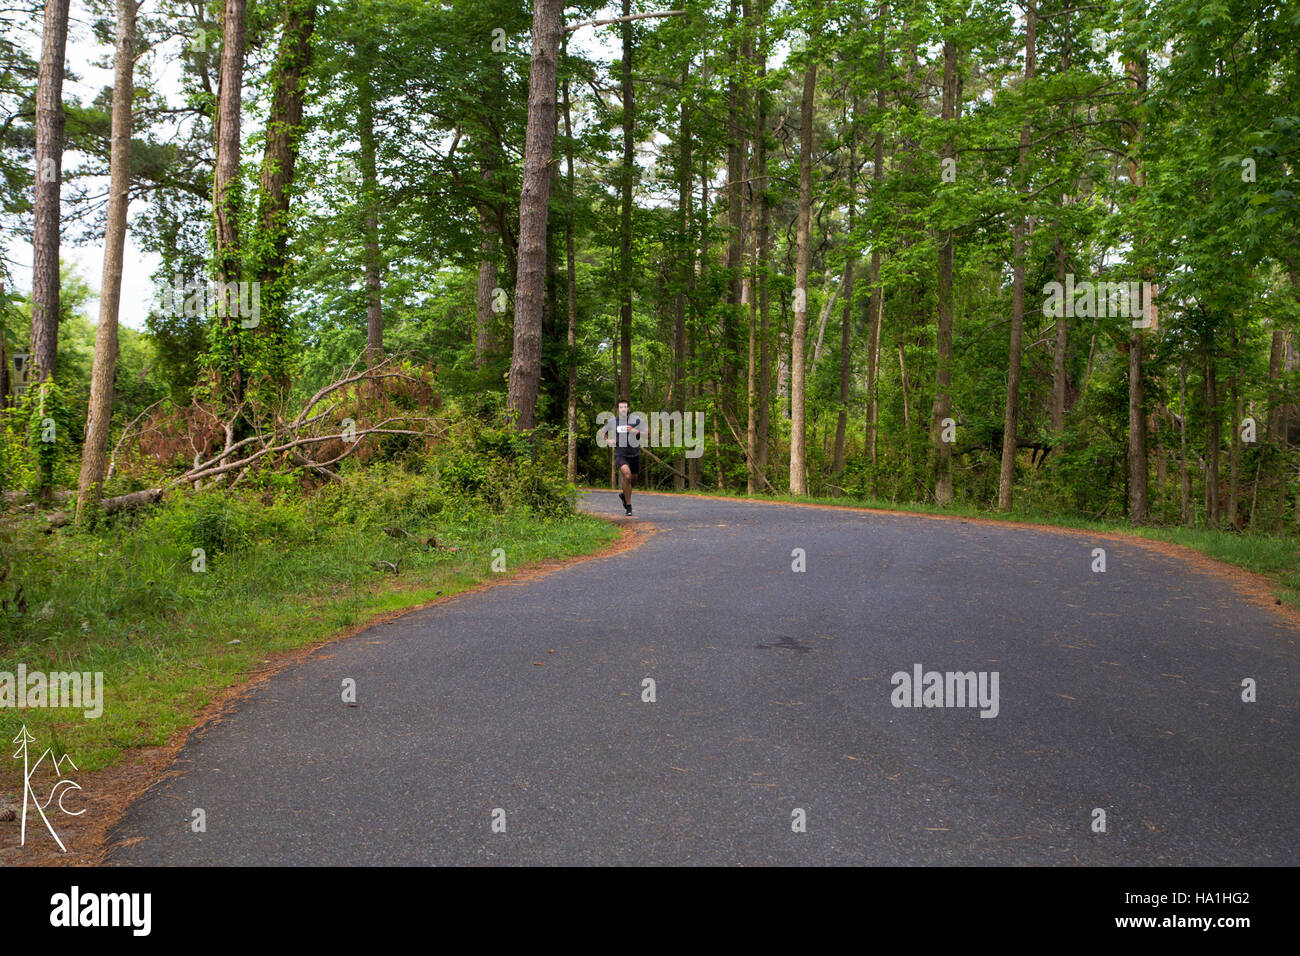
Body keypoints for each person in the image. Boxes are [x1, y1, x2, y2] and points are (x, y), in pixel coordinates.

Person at [603, 400, 645, 515]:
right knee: (627, 475)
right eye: (620, 407)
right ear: (617, 410)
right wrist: (608, 441)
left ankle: (624, 495)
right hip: (620, 454)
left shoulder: (636, 420)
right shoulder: (613, 422)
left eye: (625, 407)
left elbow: (647, 434)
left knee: (633, 480)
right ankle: (628, 506)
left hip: (634, 454)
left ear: (629, 409)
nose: (623, 409)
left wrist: (634, 430)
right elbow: (603, 433)